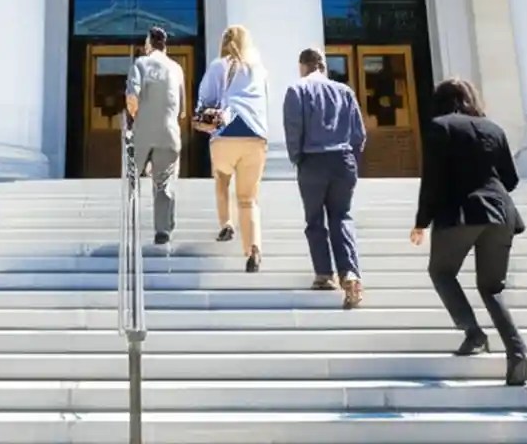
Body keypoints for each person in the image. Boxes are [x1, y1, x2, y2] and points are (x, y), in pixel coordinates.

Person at [410, 78, 527, 386]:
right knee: (492, 288)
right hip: (502, 212)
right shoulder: (493, 128)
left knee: (441, 271)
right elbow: (511, 179)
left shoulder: (440, 127)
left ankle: (473, 333)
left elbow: (432, 181)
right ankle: (517, 354)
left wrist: (422, 221)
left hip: (460, 212)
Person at [283, 48, 367, 307]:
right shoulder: (345, 91)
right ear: (322, 65)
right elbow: (359, 135)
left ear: (303, 66)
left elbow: (293, 128)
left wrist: (297, 157)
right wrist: (351, 158)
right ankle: (351, 274)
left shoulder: (296, 90)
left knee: (315, 219)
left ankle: (324, 274)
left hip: (313, 161)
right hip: (343, 160)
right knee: (341, 216)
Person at [195, 25, 270, 273]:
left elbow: (204, 100)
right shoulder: (258, 69)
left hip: (225, 136)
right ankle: (253, 250)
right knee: (248, 199)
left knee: (222, 178)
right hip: (255, 138)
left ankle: (226, 223)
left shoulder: (219, 65)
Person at [125, 27, 186, 245]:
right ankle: (163, 231)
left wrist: (136, 119)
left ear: (149, 43)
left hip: (143, 131)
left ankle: (129, 224)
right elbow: (182, 111)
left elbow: (132, 97)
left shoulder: (140, 64)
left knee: (131, 179)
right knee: (164, 182)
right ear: (165, 44)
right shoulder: (177, 68)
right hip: (169, 133)